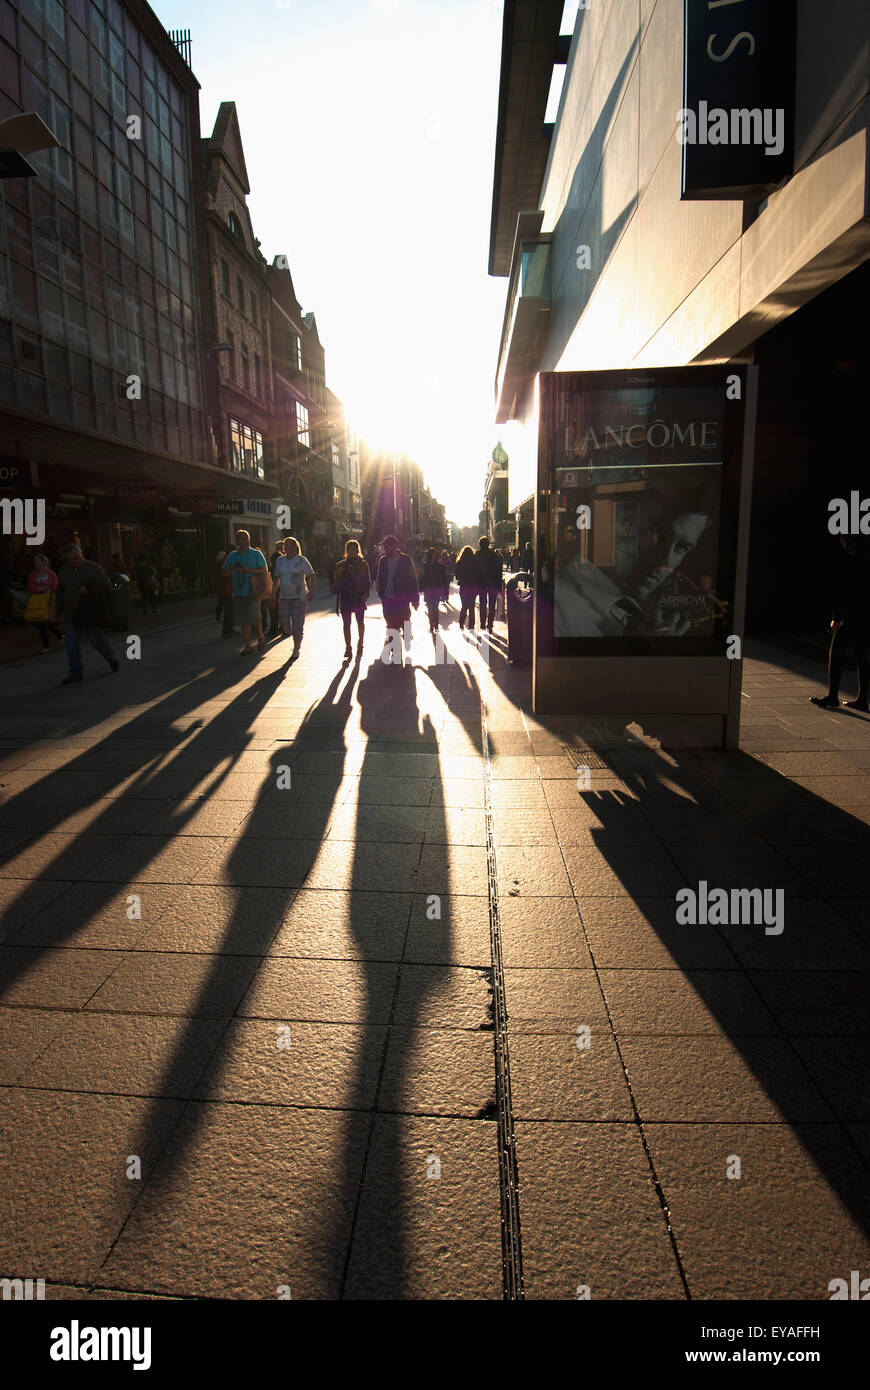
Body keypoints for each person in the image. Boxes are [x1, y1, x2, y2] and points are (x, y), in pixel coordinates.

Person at [810, 536, 870, 712]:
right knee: (861, 656)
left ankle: (833, 696)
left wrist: (837, 617)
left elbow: (845, 591)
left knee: (835, 653)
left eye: (844, 542)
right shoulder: (866, 559)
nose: (843, 546)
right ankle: (862, 698)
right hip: (864, 616)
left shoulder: (851, 562)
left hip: (851, 617)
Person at [56, 543, 119, 685]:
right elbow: (60, 592)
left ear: (81, 554)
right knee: (71, 644)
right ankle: (76, 673)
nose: (74, 560)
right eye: (70, 559)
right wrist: (58, 612)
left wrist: (89, 591)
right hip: (71, 613)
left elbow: (108, 588)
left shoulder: (93, 568)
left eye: (76, 557)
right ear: (66, 559)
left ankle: (111, 658)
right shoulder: (64, 570)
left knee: (96, 640)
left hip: (89, 611)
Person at [223, 529, 268, 656]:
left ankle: (260, 636)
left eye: (247, 538)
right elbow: (224, 571)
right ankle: (248, 645)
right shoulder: (233, 556)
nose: (245, 541)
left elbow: (264, 570)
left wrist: (249, 570)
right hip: (239, 591)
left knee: (254, 616)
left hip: (254, 590)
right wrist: (231, 568)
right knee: (244, 620)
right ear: (237, 541)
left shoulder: (256, 554)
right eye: (242, 539)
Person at [376, 534, 419, 661]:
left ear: (395, 546)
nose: (385, 549)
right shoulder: (382, 560)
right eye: (384, 546)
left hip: (402, 598)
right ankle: (394, 649)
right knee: (391, 624)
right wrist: (381, 593)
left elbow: (413, 578)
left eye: (387, 546)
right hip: (388, 598)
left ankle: (407, 633)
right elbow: (380, 577)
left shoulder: (405, 559)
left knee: (405, 619)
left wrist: (415, 598)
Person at [273, 535, 315, 657]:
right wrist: (272, 593)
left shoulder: (301, 560)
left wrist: (312, 590)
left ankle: (296, 648)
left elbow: (311, 575)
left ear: (294, 547)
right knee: (285, 625)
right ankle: (296, 635)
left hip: (299, 597)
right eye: (284, 545)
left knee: (297, 624)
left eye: (288, 545)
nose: (285, 547)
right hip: (284, 597)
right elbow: (276, 578)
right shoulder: (280, 560)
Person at [331, 540, 371, 661]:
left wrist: (366, 594)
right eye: (349, 549)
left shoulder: (363, 564)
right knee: (346, 624)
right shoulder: (340, 565)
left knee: (360, 622)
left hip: (359, 597)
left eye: (354, 549)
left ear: (357, 550)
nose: (352, 551)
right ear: (346, 551)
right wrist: (338, 573)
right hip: (346, 598)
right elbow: (335, 582)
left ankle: (360, 643)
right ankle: (348, 647)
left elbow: (367, 582)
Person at [26, 553, 63, 654]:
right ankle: (46, 646)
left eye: (37, 561)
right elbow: (30, 587)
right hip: (37, 601)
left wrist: (48, 589)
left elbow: (56, 586)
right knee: (40, 623)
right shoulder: (32, 575)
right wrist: (38, 589)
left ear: (43, 562)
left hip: (48, 600)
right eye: (34, 561)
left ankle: (60, 636)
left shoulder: (51, 574)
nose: (35, 563)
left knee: (49, 622)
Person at [474, 536, 503, 633]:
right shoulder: (495, 556)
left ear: (480, 544)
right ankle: (490, 625)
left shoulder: (477, 555)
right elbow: (499, 572)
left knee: (482, 604)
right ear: (488, 544)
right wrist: (499, 586)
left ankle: (482, 623)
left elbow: (474, 571)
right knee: (491, 605)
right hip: (493, 584)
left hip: (481, 584)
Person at [420, 547, 447, 637]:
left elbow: (421, 578)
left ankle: (432, 625)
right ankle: (435, 626)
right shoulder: (439, 565)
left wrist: (420, 587)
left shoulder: (425, 565)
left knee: (431, 608)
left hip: (428, 588)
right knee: (435, 608)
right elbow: (443, 578)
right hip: (436, 588)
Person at [455, 544, 478, 630]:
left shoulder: (460, 562)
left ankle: (461, 623)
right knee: (472, 606)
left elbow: (457, 576)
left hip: (464, 586)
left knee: (464, 606)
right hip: (473, 586)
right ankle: (471, 625)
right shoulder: (475, 561)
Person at [214, 551, 235, 637]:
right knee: (229, 611)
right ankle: (227, 631)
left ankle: (229, 629)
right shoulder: (226, 562)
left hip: (227, 589)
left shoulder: (224, 562)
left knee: (229, 610)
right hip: (227, 590)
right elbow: (225, 574)